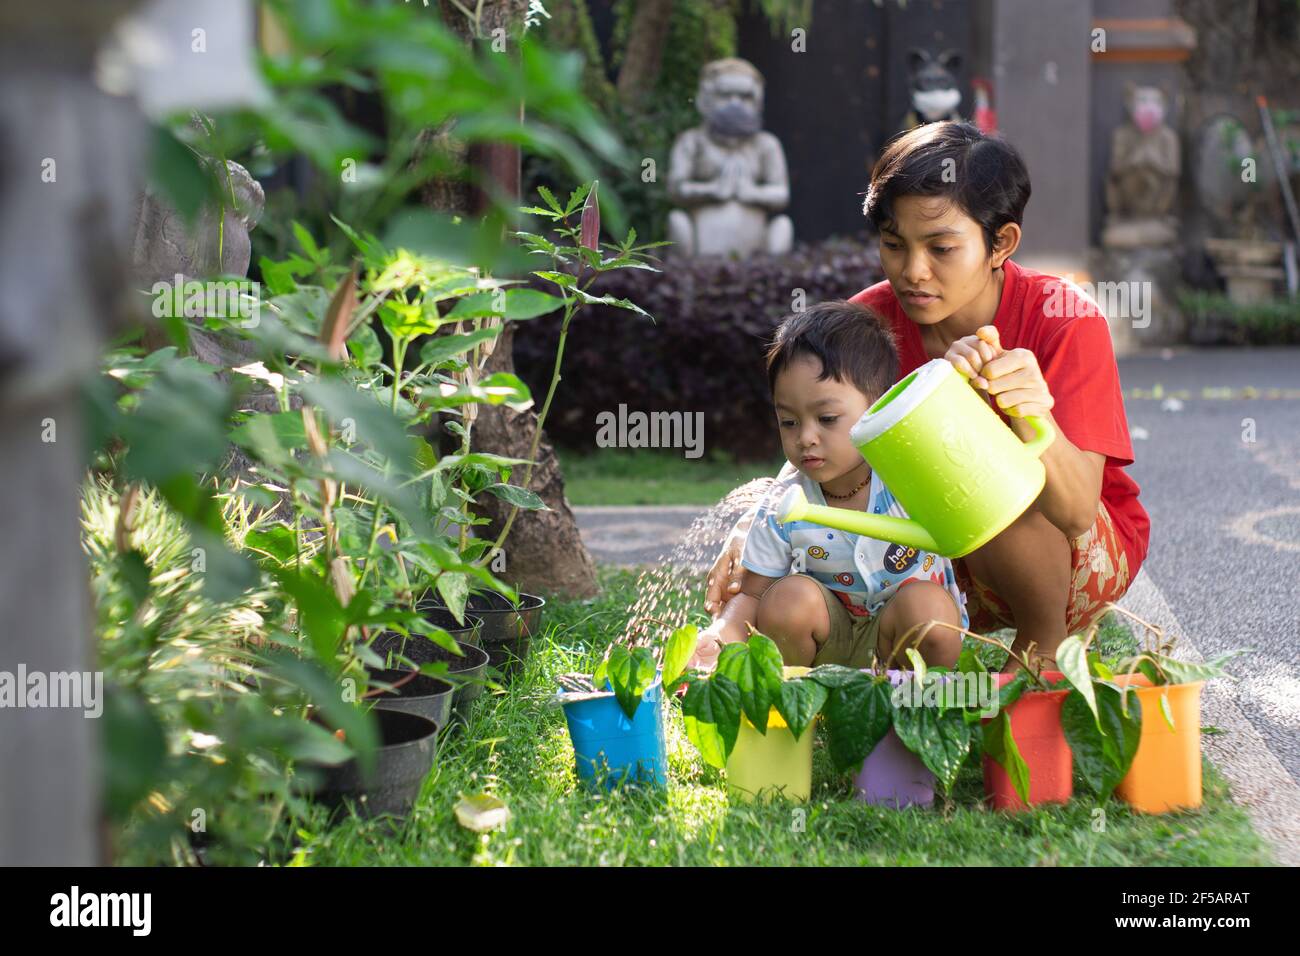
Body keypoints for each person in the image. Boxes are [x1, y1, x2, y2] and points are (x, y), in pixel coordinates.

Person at [705, 121, 1150, 673]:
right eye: (894, 245)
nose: (912, 271)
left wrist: (1029, 417)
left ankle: (1042, 647)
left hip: (1067, 557)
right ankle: (880, 671)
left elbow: (1079, 509)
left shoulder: (1064, 320)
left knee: (981, 478)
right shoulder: (870, 320)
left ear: (1001, 244)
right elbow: (823, 429)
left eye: (941, 248)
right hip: (921, 560)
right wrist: (761, 517)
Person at [687, 301, 967, 672]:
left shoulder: (910, 476)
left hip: (902, 642)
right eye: (788, 421)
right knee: (787, 598)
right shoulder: (785, 504)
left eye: (827, 418)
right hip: (826, 650)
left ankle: (922, 710)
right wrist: (721, 635)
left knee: (927, 607)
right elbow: (752, 595)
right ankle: (800, 706)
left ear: (880, 407)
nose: (806, 437)